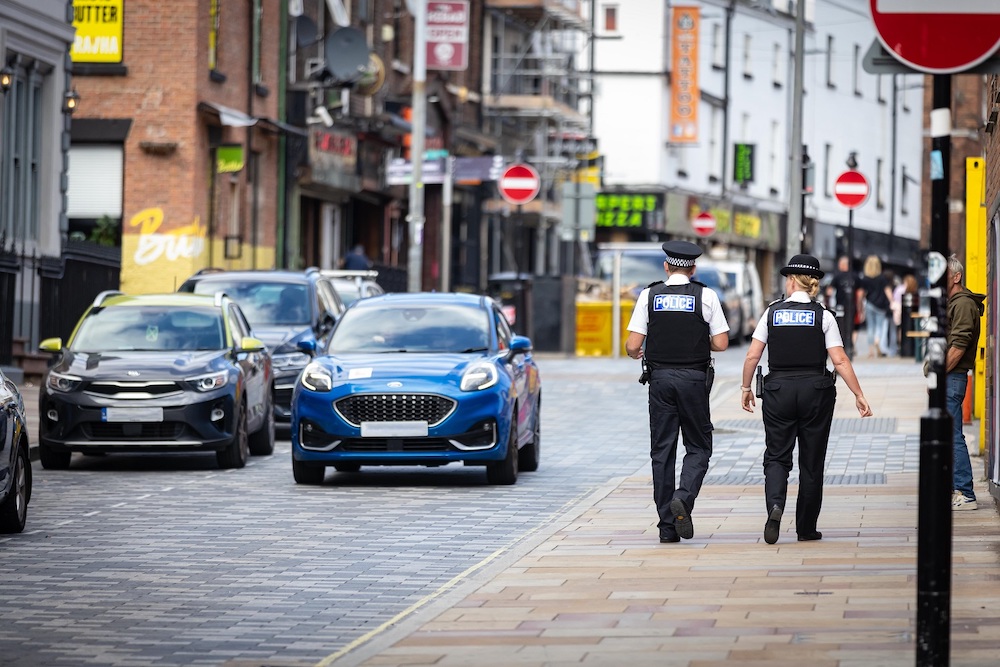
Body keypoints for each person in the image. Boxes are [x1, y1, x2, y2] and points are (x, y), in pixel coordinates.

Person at [740, 254, 872, 544]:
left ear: (791, 281)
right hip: (816, 391)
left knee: (776, 455)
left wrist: (746, 387)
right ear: (813, 284)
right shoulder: (823, 315)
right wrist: (858, 394)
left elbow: (752, 354)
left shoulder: (772, 313)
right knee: (811, 462)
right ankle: (806, 528)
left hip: (777, 392)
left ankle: (775, 504)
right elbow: (839, 360)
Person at [625, 240, 731, 543]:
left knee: (663, 451)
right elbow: (722, 343)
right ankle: (683, 497)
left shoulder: (649, 295)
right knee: (698, 446)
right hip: (694, 381)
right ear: (693, 268)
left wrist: (638, 352)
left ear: (666, 266)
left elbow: (633, 345)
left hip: (659, 381)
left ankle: (667, 527)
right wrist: (697, 340)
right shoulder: (706, 296)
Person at [945, 254, 985, 511]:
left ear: (956, 276)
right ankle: (956, 489)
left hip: (952, 377)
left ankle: (965, 492)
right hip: (950, 377)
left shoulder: (962, 305)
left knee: (952, 436)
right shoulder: (954, 303)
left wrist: (937, 373)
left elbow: (959, 345)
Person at [824, 255, 856, 357]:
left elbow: (829, 291)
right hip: (851, 305)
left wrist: (827, 302)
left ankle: (843, 346)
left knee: (840, 327)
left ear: (842, 265)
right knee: (850, 326)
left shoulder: (837, 276)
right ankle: (850, 346)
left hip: (840, 306)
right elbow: (860, 292)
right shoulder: (854, 276)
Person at [861, 255, 892, 358]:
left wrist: (860, 304)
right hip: (881, 305)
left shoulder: (865, 278)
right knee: (879, 326)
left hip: (870, 303)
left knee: (870, 327)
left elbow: (862, 293)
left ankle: (870, 350)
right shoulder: (882, 278)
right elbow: (887, 290)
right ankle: (877, 341)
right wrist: (892, 301)